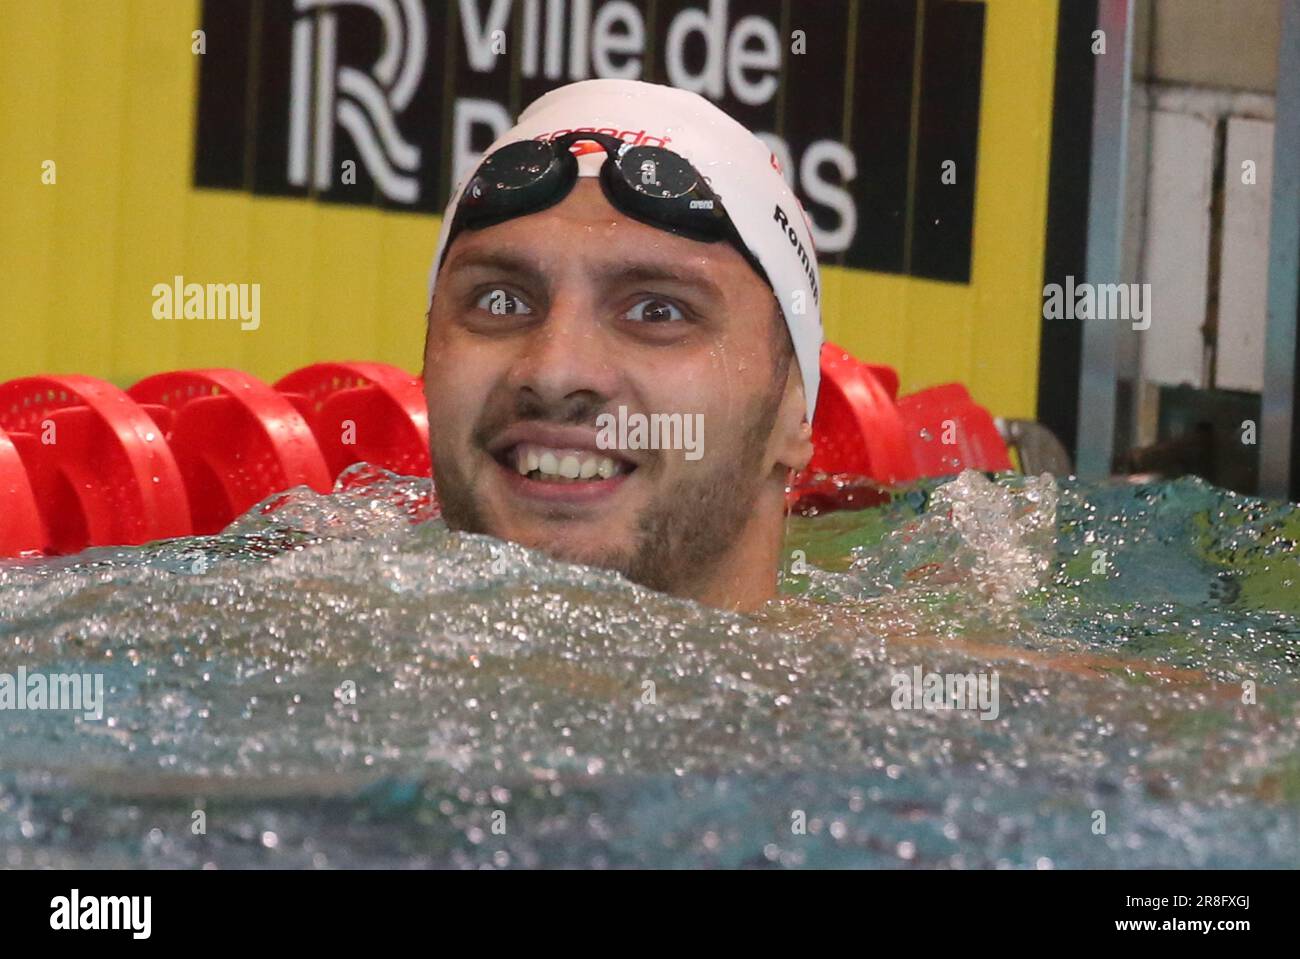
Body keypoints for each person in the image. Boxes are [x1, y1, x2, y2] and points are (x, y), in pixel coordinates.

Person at [422, 79, 823, 612]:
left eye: (658, 312)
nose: (554, 373)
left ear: (794, 403)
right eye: (502, 302)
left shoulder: (900, 690)